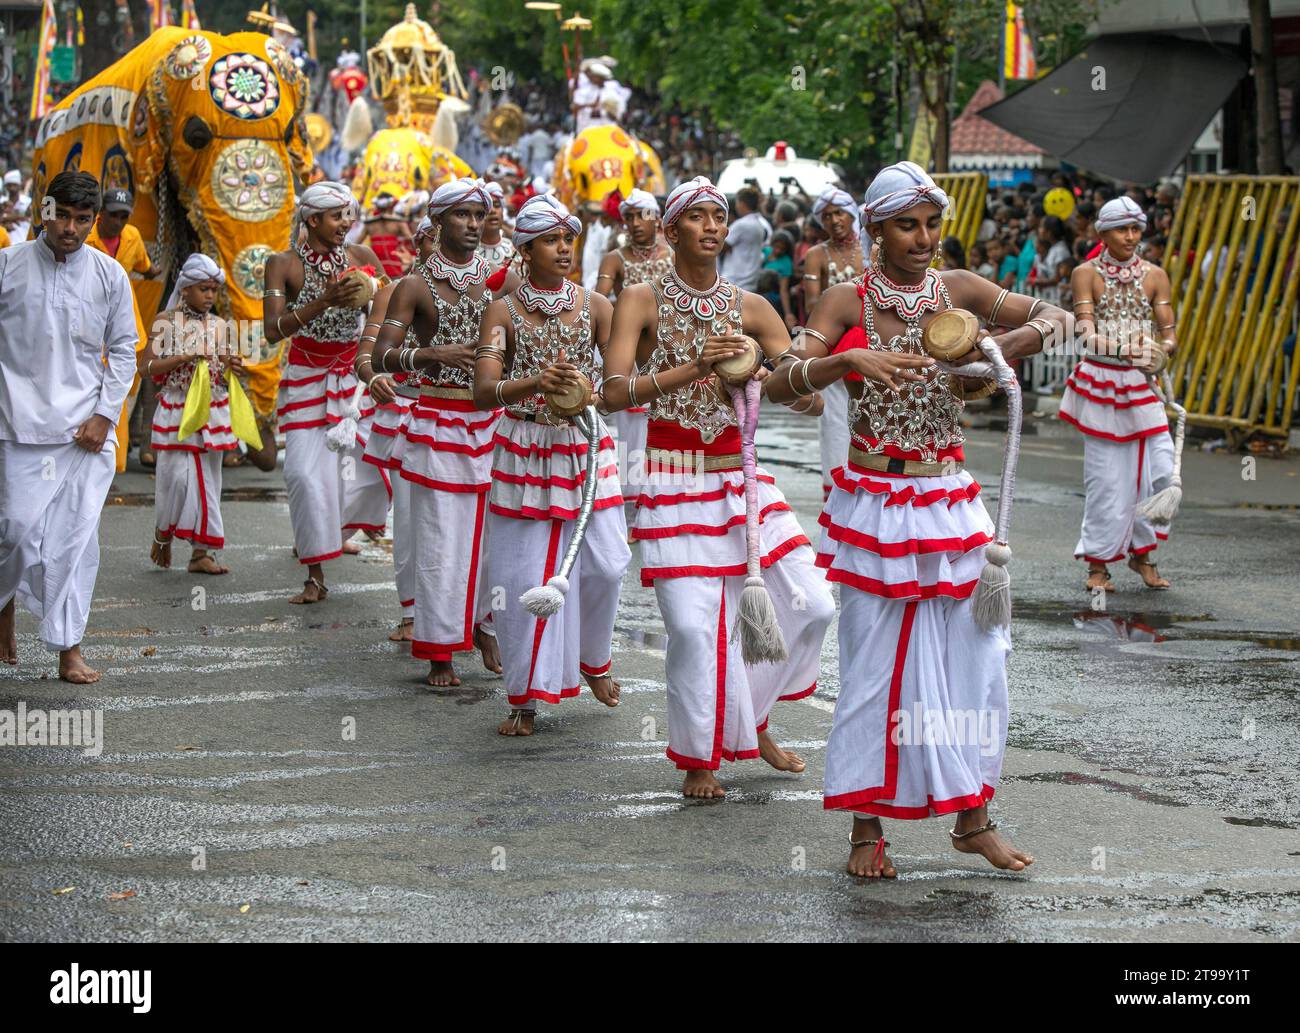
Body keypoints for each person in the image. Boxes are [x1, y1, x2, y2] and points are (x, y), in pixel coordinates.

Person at [770, 160, 1068, 877]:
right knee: (878, 670)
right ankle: (865, 830)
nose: (924, 237)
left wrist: (992, 352)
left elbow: (1053, 318)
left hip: (949, 498)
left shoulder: (959, 290)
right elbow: (781, 381)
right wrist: (847, 364)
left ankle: (972, 818)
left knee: (978, 661)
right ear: (875, 228)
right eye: (908, 225)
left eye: (932, 224)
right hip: (876, 503)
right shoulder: (846, 301)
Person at [603, 176, 836, 799]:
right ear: (672, 229)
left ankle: (751, 718)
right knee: (690, 626)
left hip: (742, 479)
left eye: (719, 216)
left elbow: (806, 398)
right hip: (673, 475)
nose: (711, 225)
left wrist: (765, 373)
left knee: (814, 604)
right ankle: (701, 758)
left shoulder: (753, 308)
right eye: (697, 216)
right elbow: (611, 392)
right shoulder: (641, 300)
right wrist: (695, 368)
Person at [475, 194, 630, 735]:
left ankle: (594, 658)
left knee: (609, 562)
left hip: (586, 444)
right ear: (524, 249)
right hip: (525, 446)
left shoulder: (597, 306)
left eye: (569, 238)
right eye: (550, 240)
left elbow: (616, 390)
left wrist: (591, 392)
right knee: (523, 574)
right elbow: (484, 390)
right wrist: (534, 382)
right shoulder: (503, 311)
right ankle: (522, 698)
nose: (564, 249)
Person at [0, 171, 138, 683]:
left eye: (83, 219)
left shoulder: (109, 275)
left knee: (75, 545)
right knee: (13, 533)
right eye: (63, 215)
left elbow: (125, 349)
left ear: (93, 220)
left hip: (85, 432)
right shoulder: (8, 266)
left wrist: (105, 415)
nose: (71, 228)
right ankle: (5, 602)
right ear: (45, 209)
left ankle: (68, 649)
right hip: (15, 427)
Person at [372, 178, 504, 687]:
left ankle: (485, 624)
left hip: (493, 421)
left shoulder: (497, 280)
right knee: (442, 540)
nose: (473, 224)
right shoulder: (415, 286)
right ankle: (441, 649)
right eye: (462, 215)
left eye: (478, 215)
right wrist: (429, 355)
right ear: (438, 220)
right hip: (437, 420)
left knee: (496, 537)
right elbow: (382, 354)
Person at [263, 181, 392, 604]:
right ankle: (315, 574)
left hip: (353, 378)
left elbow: (389, 310)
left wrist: (371, 356)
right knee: (303, 473)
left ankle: (330, 532)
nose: (345, 224)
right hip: (304, 374)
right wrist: (323, 300)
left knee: (368, 470)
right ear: (312, 220)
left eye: (348, 215)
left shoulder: (363, 258)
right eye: (337, 217)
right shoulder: (281, 264)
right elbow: (271, 331)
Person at [1060, 196, 1178, 591]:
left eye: (1136, 229)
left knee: (1159, 472)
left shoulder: (1156, 274)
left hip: (1143, 385)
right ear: (1103, 233)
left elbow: (1170, 335)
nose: (1131, 237)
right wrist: (1122, 349)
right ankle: (1098, 565)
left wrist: (1160, 353)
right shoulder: (1085, 273)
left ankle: (1143, 553)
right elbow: (1085, 331)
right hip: (1102, 383)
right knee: (1107, 480)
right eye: (1122, 229)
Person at [359, 221, 435, 643]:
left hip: (467, 418)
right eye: (430, 236)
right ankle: (411, 609)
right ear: (418, 241)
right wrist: (374, 379)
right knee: (409, 517)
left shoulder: (483, 287)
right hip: (408, 414)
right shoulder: (393, 291)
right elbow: (365, 357)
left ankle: (470, 618)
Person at [142, 254, 239, 576]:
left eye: (213, 289)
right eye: (203, 289)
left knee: (209, 482)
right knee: (176, 481)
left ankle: (200, 554)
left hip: (211, 412)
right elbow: (146, 369)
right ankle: (162, 532)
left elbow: (225, 367)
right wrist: (183, 355)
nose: (210, 296)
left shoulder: (220, 325)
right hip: (176, 409)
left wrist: (233, 365)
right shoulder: (165, 321)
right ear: (184, 289)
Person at [595, 189, 673, 501]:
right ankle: (632, 501)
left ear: (657, 219)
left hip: (670, 347)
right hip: (628, 350)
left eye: (643, 215)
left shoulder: (674, 254)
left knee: (669, 416)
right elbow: (599, 300)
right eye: (629, 216)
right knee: (630, 425)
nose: (636, 223)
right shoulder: (615, 258)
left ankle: (667, 494)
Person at [86, 189, 156, 473]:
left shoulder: (133, 236)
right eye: (113, 214)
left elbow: (145, 266)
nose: (118, 221)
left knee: (119, 391)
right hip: (91, 323)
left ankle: (115, 459)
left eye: (123, 216)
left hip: (125, 324)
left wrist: (155, 273)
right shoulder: (85, 236)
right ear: (100, 213)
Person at [802, 186, 863, 502]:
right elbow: (813, 304)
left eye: (839, 212)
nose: (834, 220)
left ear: (852, 213)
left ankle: (870, 491)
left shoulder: (872, 250)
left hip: (873, 345)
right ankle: (837, 497)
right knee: (835, 422)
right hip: (832, 346)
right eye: (826, 216)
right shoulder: (816, 255)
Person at [718, 186, 770, 292]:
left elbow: (720, 247)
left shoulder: (741, 224)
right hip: (750, 280)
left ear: (742, 203)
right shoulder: (760, 224)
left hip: (735, 280)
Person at [357, 192, 413, 279]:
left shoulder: (370, 223)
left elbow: (357, 243)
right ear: (391, 206)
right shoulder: (398, 222)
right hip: (394, 263)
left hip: (376, 262)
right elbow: (410, 239)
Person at [477, 182, 517, 276]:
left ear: (503, 211)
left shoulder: (515, 252)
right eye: (487, 207)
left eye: (497, 205)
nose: (493, 211)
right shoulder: (467, 254)